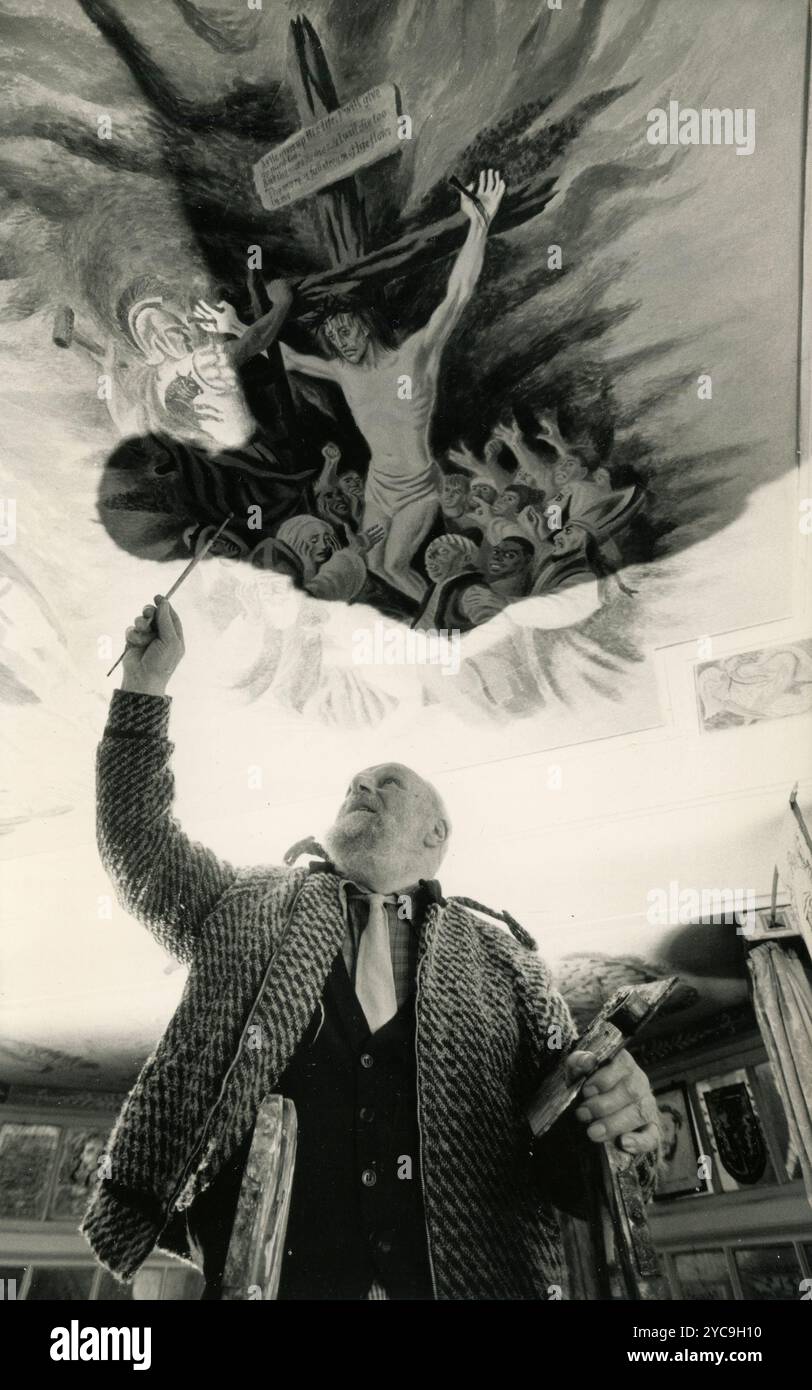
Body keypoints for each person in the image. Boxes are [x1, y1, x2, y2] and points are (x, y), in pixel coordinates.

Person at [83, 596, 661, 1300]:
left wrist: (619, 1120)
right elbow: (138, 844)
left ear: (434, 838)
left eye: (387, 784)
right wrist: (143, 688)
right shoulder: (246, 903)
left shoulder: (509, 965)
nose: (363, 785)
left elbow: (570, 1161)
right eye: (355, 783)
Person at [272, 170, 507, 602]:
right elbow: (286, 357)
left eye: (346, 329)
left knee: (397, 565)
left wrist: (480, 224)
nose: (342, 341)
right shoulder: (345, 371)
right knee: (372, 564)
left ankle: (443, 622)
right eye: (334, 336)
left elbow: (457, 295)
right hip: (379, 485)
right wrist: (238, 327)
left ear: (365, 324)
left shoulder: (415, 355)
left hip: (420, 487)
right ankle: (429, 621)